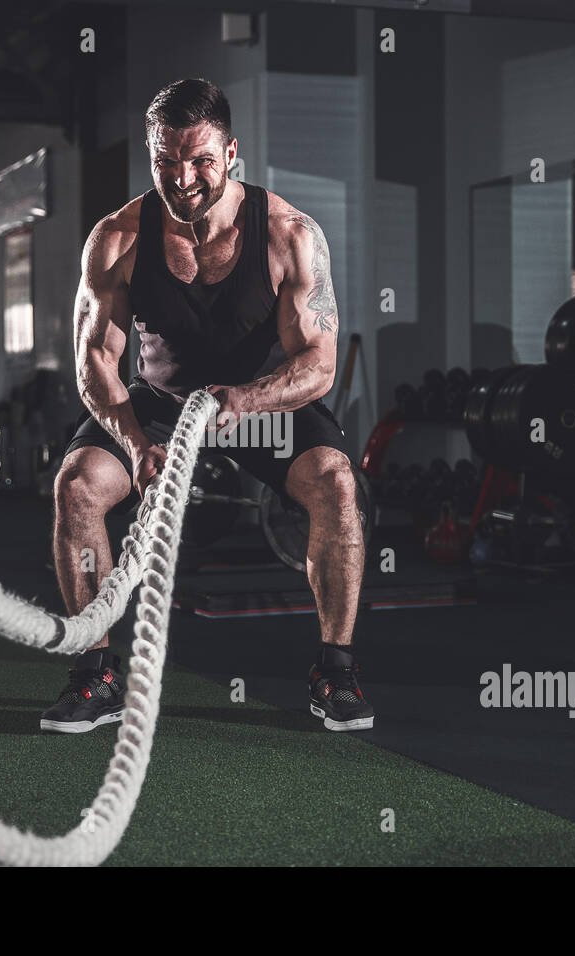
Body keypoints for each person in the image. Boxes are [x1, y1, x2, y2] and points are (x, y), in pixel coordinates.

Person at [42, 77, 372, 734]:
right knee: (77, 487)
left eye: (200, 161)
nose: (184, 177)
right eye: (166, 161)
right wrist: (137, 445)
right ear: (151, 154)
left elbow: (320, 364)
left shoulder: (289, 235)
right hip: (160, 407)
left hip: (261, 406)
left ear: (231, 154)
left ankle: (334, 670)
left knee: (338, 483)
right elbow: (95, 363)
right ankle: (96, 675)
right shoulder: (118, 239)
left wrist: (247, 399)